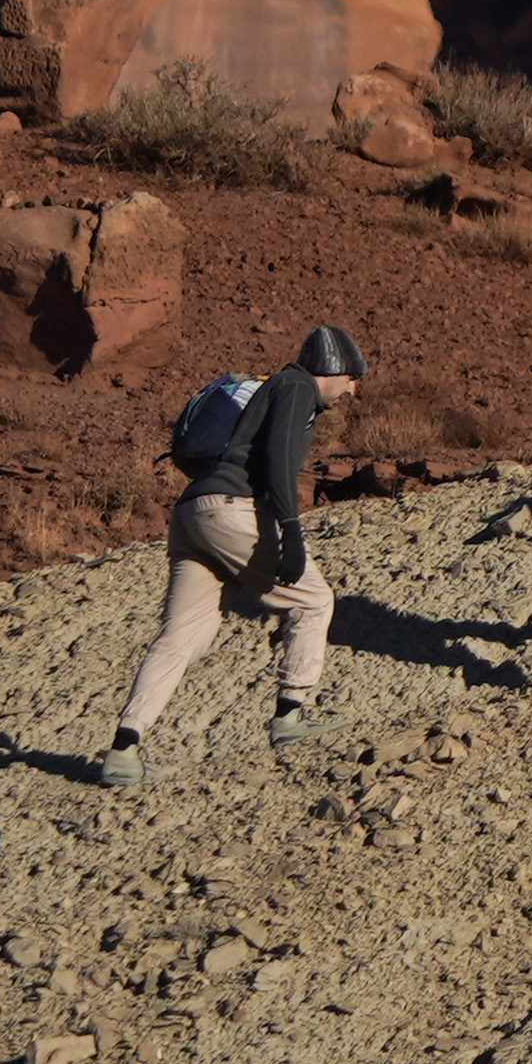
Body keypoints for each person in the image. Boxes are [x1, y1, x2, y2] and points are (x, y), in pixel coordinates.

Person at [99, 322, 364, 784]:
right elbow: (279, 459)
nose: (353, 390)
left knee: (180, 637)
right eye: (352, 378)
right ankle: (290, 716)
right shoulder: (296, 387)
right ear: (334, 368)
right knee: (314, 600)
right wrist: (291, 529)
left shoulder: (277, 387)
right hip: (229, 510)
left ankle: (123, 751)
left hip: (192, 514)